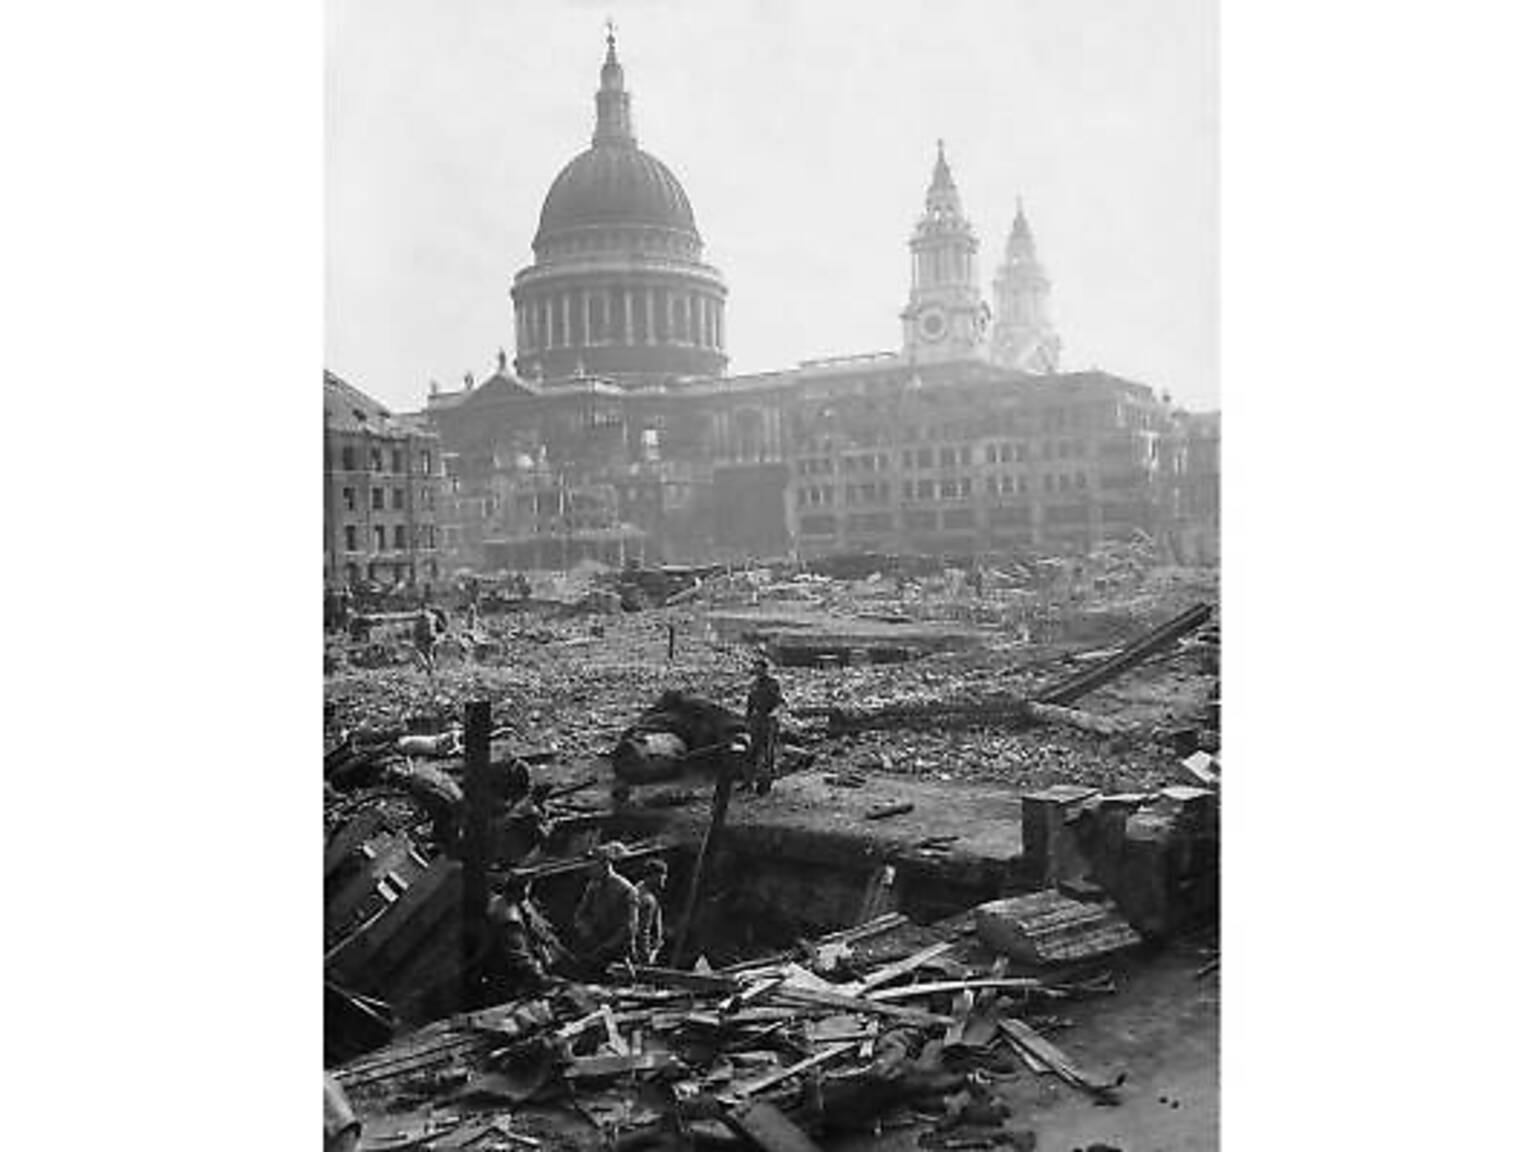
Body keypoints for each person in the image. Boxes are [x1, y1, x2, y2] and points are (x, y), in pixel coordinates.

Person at [482, 874, 568, 1000]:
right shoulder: (510, 919)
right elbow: (521, 959)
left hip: (511, 976)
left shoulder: (505, 902)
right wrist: (547, 979)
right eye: (528, 887)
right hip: (512, 984)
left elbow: (540, 930)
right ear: (522, 890)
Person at [572, 843, 640, 976]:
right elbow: (580, 914)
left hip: (619, 953)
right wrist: (585, 929)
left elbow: (629, 927)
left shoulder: (625, 889)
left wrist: (606, 947)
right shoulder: (593, 886)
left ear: (605, 864)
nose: (588, 870)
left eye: (592, 865)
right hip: (597, 946)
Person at [745, 657, 784, 794]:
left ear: (765, 670)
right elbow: (749, 704)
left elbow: (779, 702)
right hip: (756, 721)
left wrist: (774, 714)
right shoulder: (753, 684)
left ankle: (766, 784)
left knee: (768, 753)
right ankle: (748, 782)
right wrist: (747, 721)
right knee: (752, 752)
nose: (758, 672)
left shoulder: (773, 684)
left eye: (760, 669)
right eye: (756, 670)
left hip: (769, 721)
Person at [634, 859, 668, 965]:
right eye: (662, 876)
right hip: (642, 952)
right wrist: (646, 955)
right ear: (653, 876)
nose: (664, 879)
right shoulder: (647, 899)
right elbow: (643, 930)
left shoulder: (639, 888)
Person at [412, 608, 436, 673]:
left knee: (423, 653)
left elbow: (416, 632)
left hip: (424, 639)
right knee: (427, 654)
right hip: (427, 639)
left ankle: (426, 666)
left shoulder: (422, 622)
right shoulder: (430, 620)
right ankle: (429, 667)